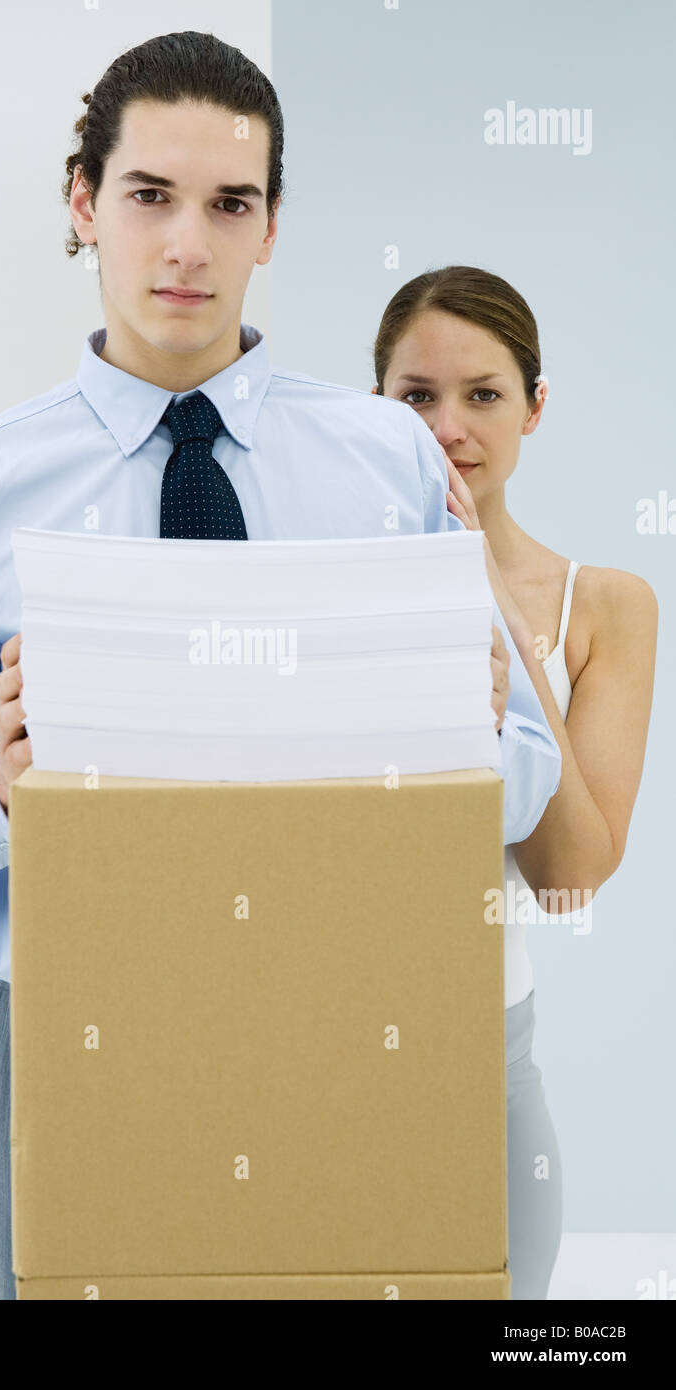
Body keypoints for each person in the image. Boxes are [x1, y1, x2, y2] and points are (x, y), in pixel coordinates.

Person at [0, 33, 562, 1301]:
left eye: (230, 205)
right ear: (83, 203)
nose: (188, 247)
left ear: (272, 226)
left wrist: (462, 732)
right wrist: (2, 787)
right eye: (149, 196)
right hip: (78, 1027)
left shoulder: (389, 461)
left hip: (355, 1014)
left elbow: (525, 786)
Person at [371, 264, 658, 1297]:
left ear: (536, 409)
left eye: (484, 394)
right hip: (331, 1034)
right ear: (375, 414)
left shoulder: (609, 606)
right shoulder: (332, 591)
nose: (449, 426)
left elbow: (572, 869)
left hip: (488, 1037)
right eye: (416, 397)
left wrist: (481, 583)